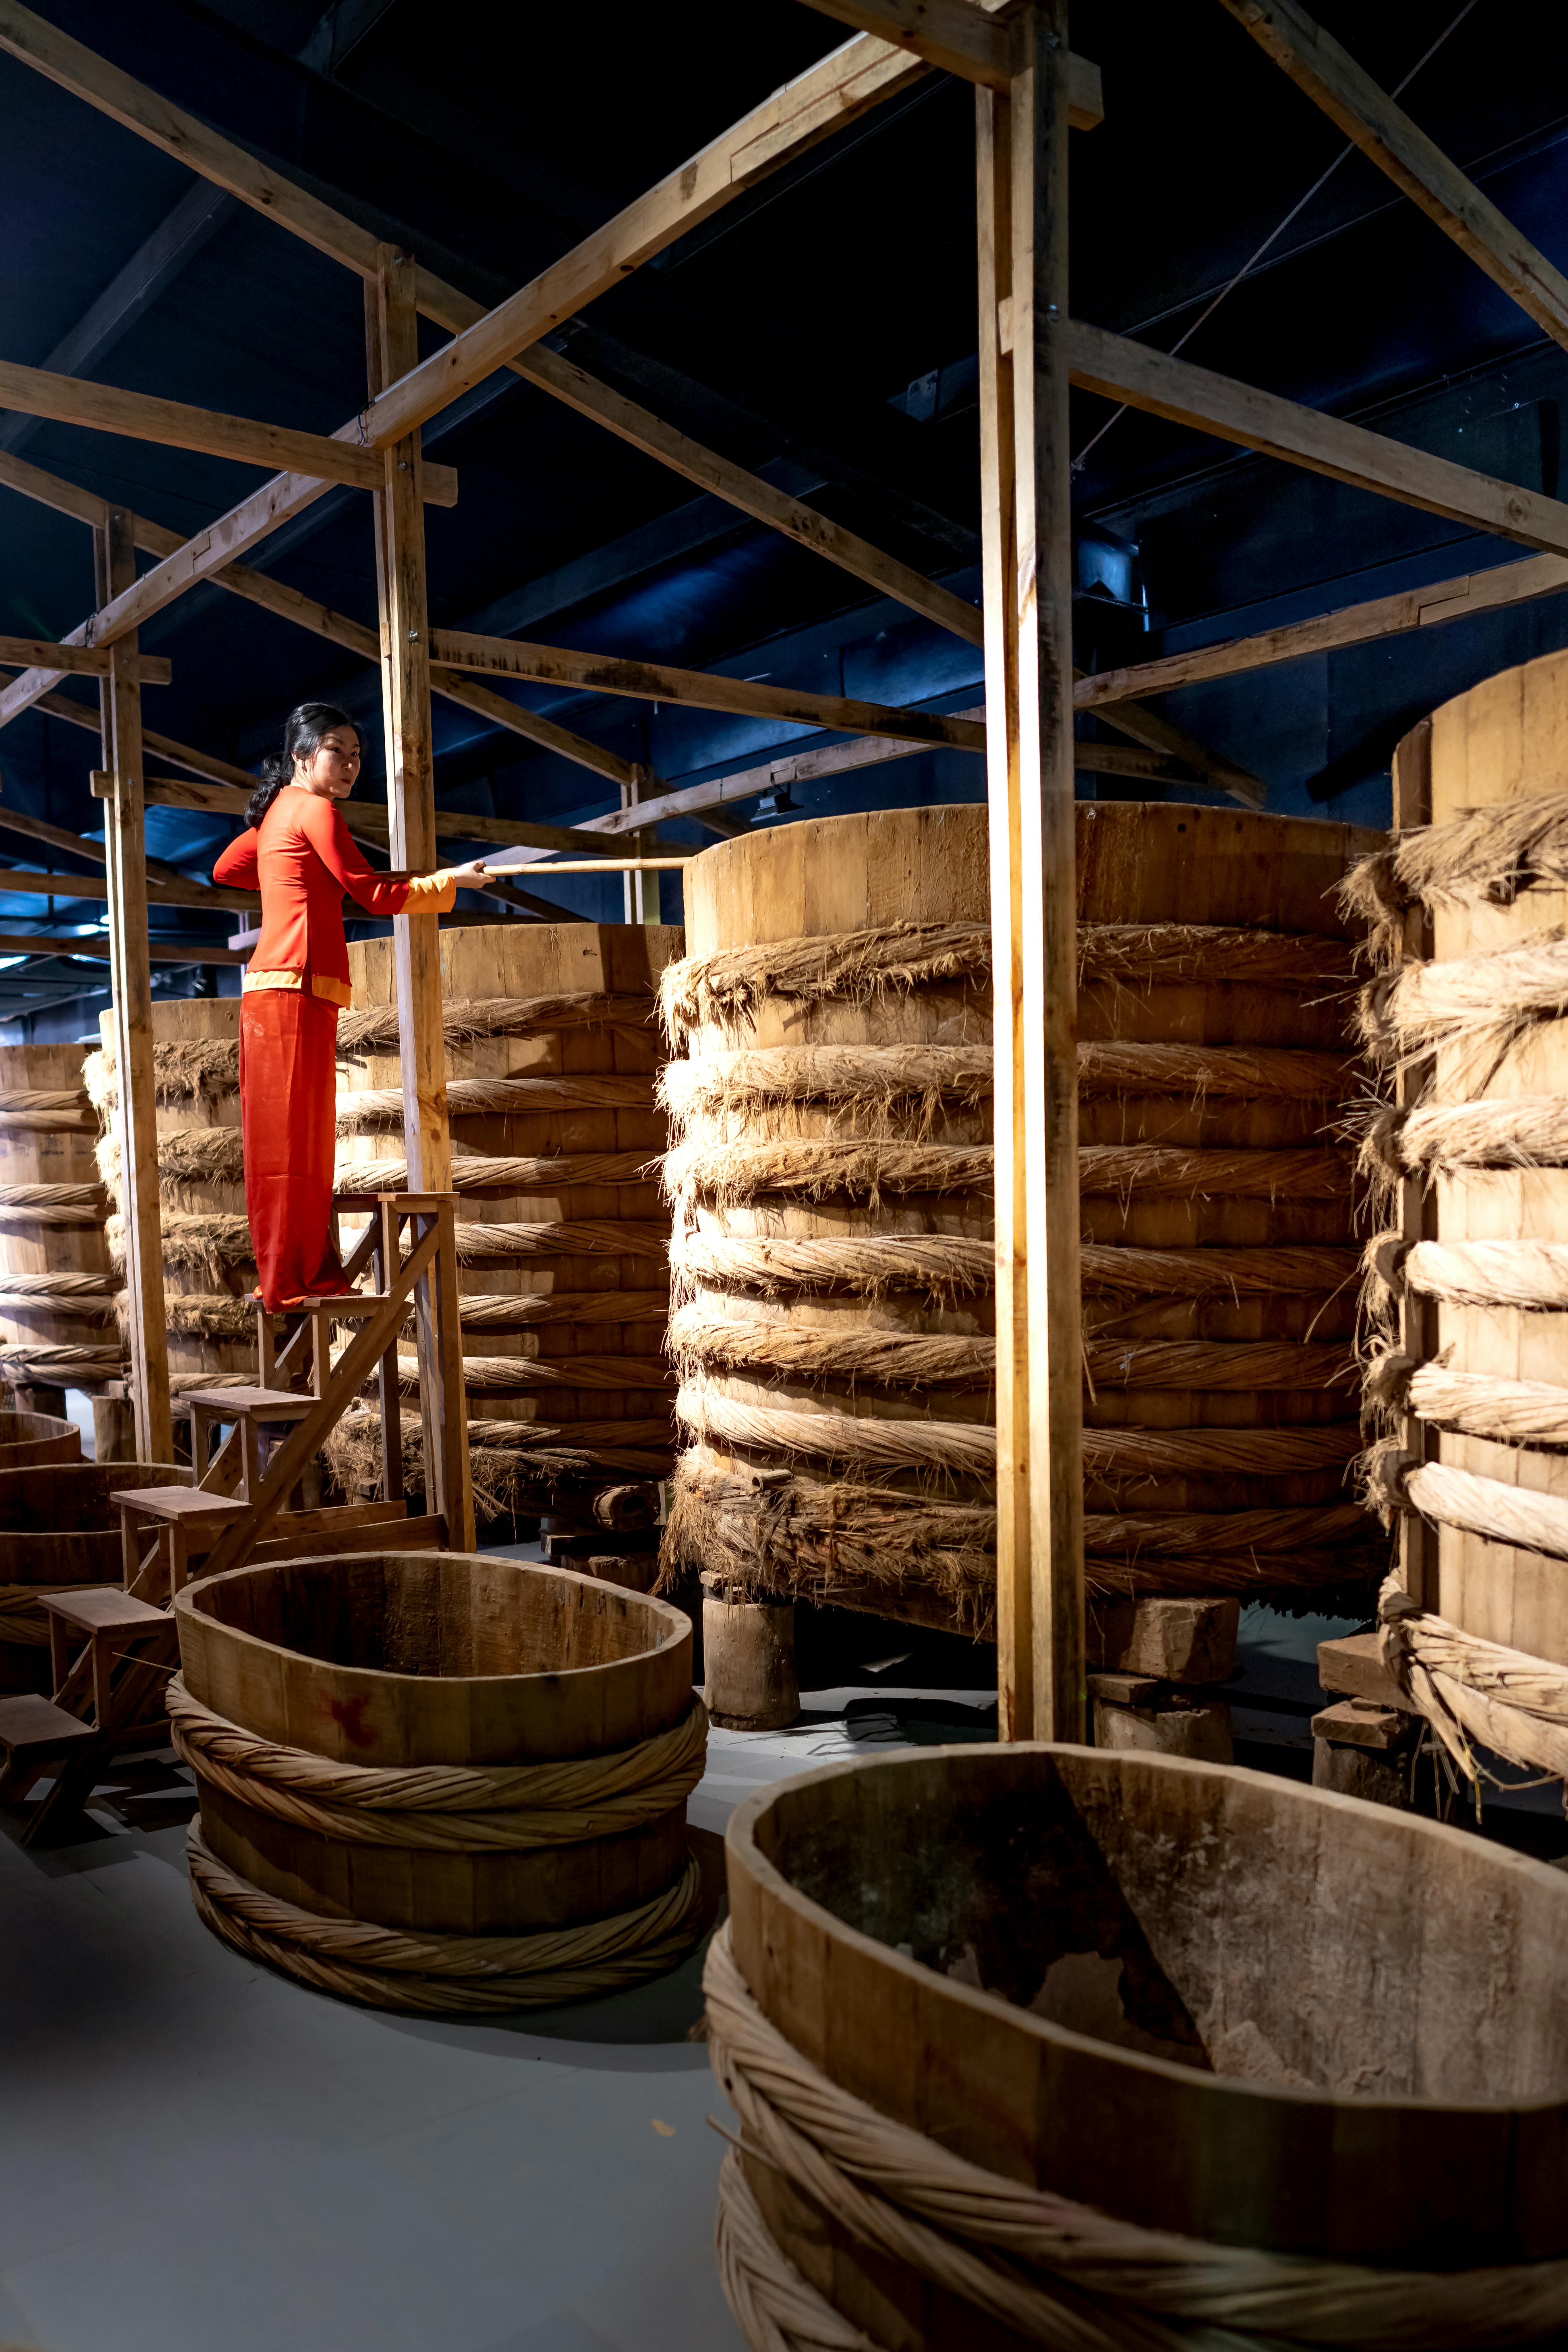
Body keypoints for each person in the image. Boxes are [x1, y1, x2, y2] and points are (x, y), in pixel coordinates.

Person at [213, 701, 488, 1312]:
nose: (349, 765)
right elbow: (371, 892)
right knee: (297, 1147)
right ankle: (290, 1280)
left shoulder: (288, 813)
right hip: (295, 987)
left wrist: (287, 865)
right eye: (337, 751)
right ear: (302, 756)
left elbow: (227, 868)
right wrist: (453, 882)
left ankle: (299, 1273)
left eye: (357, 755)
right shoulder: (314, 810)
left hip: (283, 991)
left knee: (294, 1144)